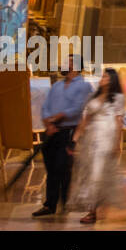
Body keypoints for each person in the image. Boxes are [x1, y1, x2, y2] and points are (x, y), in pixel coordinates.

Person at [33, 55, 93, 217]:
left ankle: (65, 202)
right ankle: (50, 204)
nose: (64, 63)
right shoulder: (57, 86)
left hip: (69, 131)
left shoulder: (84, 85)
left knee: (63, 167)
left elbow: (76, 108)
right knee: (52, 168)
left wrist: (54, 119)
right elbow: (46, 106)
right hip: (52, 131)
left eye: (69, 62)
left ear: (76, 66)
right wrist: (49, 123)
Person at [69, 68, 124, 224]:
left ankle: (93, 211)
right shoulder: (93, 95)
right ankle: (94, 207)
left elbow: (119, 121)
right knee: (88, 173)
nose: (103, 78)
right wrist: (75, 138)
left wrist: (116, 143)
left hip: (106, 138)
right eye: (103, 76)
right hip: (92, 139)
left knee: (98, 173)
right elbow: (85, 119)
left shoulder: (117, 98)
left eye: (106, 76)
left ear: (112, 80)